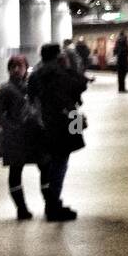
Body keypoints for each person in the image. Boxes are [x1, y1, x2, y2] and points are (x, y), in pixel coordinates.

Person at [27, 42, 88, 221]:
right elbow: (81, 85)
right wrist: (68, 66)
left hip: (43, 125)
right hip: (64, 123)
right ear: (58, 56)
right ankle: (53, 206)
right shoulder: (61, 72)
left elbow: (31, 98)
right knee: (60, 164)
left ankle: (53, 203)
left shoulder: (35, 74)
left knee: (51, 165)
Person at [0, 55, 44, 220]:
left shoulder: (30, 87)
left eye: (19, 66)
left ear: (25, 68)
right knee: (15, 171)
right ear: (9, 69)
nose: (16, 70)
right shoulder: (5, 89)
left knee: (45, 166)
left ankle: (50, 202)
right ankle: (21, 209)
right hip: (15, 138)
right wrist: (10, 128)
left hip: (33, 135)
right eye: (13, 67)